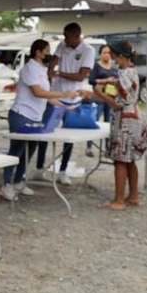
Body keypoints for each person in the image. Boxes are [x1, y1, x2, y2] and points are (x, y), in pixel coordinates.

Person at [0, 40, 78, 201]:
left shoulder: (42, 69)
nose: (50, 54)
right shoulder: (29, 68)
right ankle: (6, 184)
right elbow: (38, 92)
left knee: (29, 150)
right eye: (47, 51)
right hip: (22, 114)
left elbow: (47, 97)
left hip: (36, 116)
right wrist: (64, 94)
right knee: (16, 150)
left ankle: (18, 181)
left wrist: (65, 106)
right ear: (38, 52)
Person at [30, 23, 94, 185]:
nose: (65, 40)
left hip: (73, 98)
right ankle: (39, 168)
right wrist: (50, 73)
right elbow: (53, 62)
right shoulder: (62, 45)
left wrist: (58, 73)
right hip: (55, 96)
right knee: (45, 132)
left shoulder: (88, 50)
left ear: (76, 35)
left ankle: (63, 171)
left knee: (68, 137)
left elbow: (81, 76)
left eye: (67, 36)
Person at [93, 40, 147, 210]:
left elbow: (118, 102)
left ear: (121, 56)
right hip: (132, 116)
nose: (111, 57)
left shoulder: (125, 74)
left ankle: (118, 201)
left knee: (120, 160)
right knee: (129, 160)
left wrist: (99, 94)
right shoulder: (129, 71)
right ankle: (133, 196)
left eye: (113, 54)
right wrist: (107, 85)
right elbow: (119, 91)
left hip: (125, 120)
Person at [85, 44, 118, 157]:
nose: (107, 55)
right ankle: (89, 147)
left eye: (109, 53)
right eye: (104, 53)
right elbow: (91, 80)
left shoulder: (114, 67)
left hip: (110, 97)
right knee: (94, 120)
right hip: (98, 97)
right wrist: (105, 80)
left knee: (108, 123)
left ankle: (107, 148)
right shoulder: (96, 66)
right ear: (100, 54)